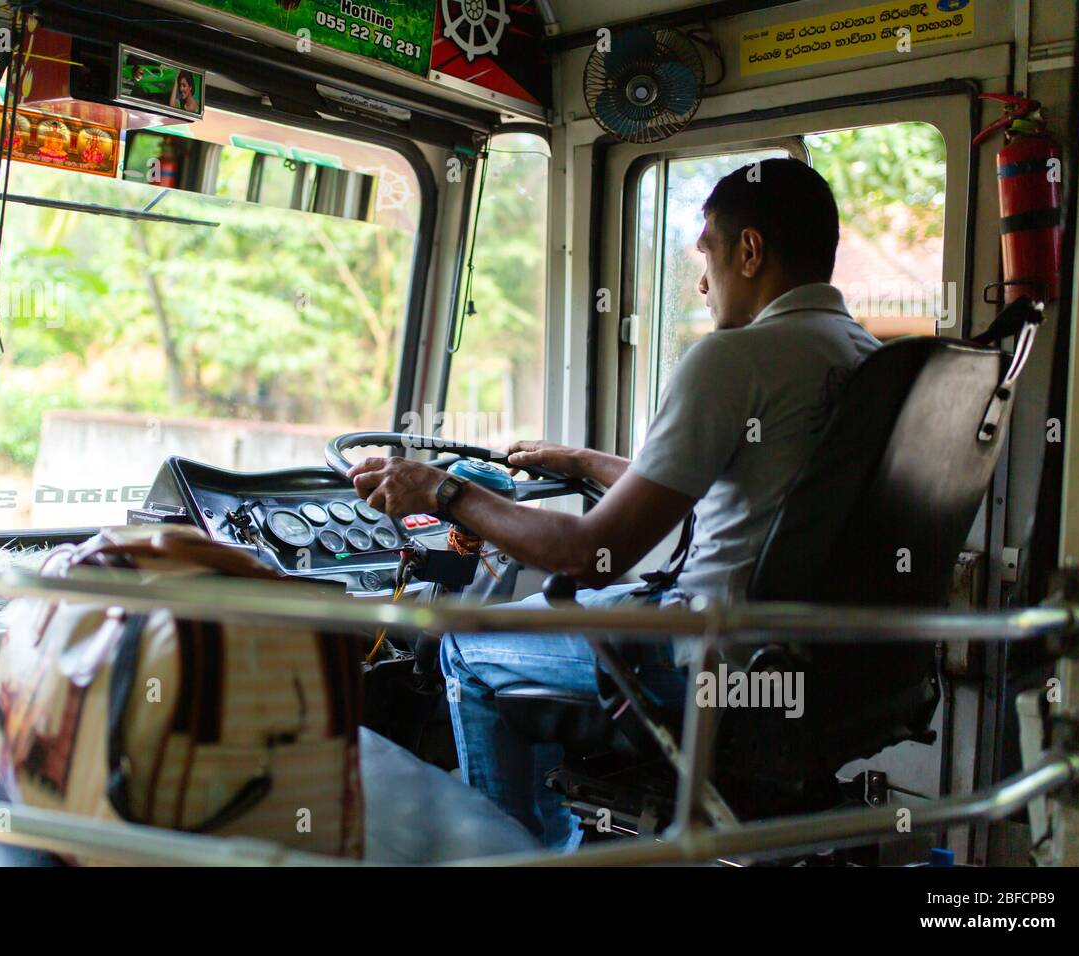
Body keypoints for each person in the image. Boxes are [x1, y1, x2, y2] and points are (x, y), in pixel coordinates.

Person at [347, 158, 881, 849]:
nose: (701, 280)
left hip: (709, 657)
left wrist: (441, 491)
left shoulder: (736, 359)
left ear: (749, 251)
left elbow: (591, 555)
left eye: (708, 255)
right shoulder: (860, 357)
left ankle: (521, 856)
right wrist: (581, 462)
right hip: (816, 661)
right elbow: (747, 487)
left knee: (468, 641)